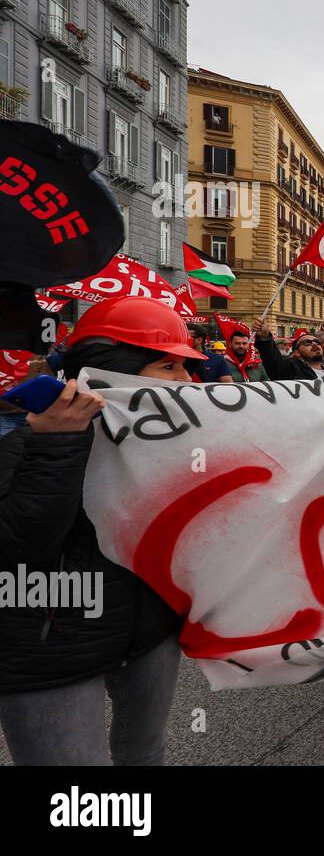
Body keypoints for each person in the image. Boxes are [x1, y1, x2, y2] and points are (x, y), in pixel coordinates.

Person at [0, 296, 207, 764]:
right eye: (168, 366)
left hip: (149, 631)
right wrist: (57, 447)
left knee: (145, 751)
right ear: (114, 373)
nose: (187, 381)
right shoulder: (25, 444)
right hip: (50, 653)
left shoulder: (177, 442)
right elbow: (21, 547)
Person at [251, 321, 324, 380]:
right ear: (296, 353)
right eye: (307, 342)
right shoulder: (291, 368)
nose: (314, 344)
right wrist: (265, 338)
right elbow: (274, 362)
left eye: (317, 342)